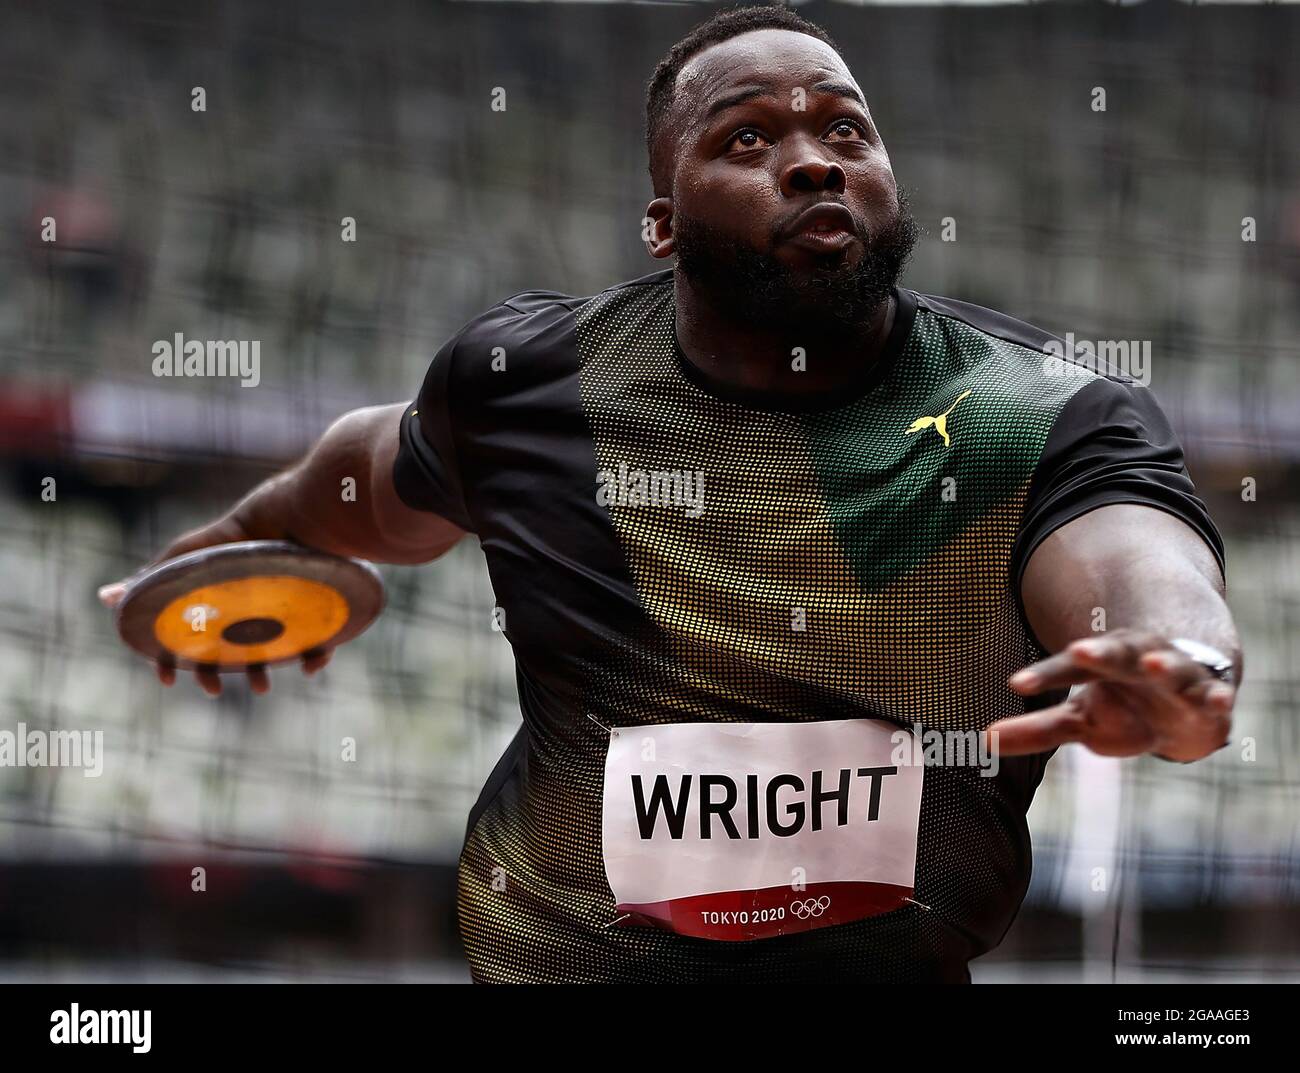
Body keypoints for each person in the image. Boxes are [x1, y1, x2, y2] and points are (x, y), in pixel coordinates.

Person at [99, 4, 1241, 983]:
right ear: (662, 224)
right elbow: (371, 473)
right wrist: (257, 530)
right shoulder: (529, 380)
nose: (813, 159)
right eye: (747, 137)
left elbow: (1139, 562)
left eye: (845, 128)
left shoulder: (1034, 412)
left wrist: (1179, 660)